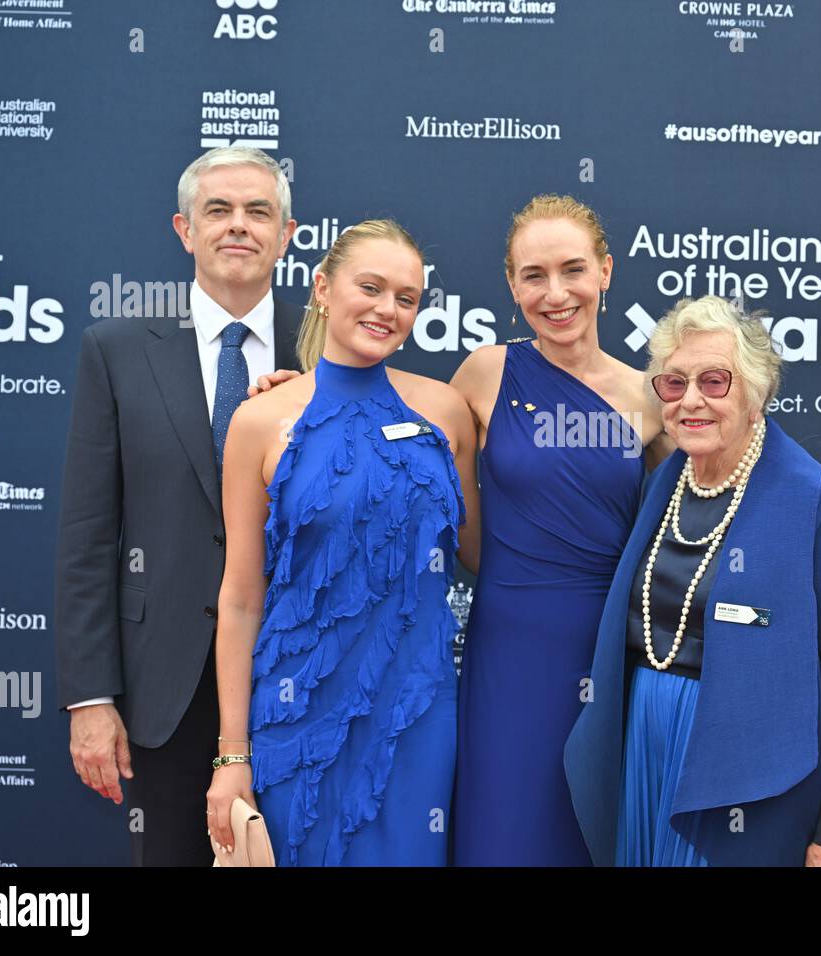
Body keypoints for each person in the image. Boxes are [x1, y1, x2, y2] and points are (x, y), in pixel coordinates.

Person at [564, 296, 821, 866]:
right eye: (674, 382)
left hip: (746, 772)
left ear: (754, 392)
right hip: (645, 741)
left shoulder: (810, 502)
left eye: (714, 381)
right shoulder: (665, 483)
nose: (691, 400)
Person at [205, 219, 480, 865]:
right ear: (324, 289)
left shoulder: (445, 411)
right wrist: (231, 755)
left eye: (406, 298)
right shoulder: (258, 419)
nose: (388, 309)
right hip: (294, 707)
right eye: (372, 287)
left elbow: (482, 551)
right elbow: (242, 598)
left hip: (416, 707)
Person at [55, 147, 300, 866]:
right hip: (165, 686)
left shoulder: (329, 350)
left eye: (259, 212)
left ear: (287, 235)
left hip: (299, 667)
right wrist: (90, 697)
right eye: (217, 210)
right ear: (184, 229)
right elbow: (88, 536)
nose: (238, 226)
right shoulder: (116, 350)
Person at [448, 195, 672, 866]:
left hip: (605, 649)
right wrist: (295, 394)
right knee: (504, 829)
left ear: (605, 271)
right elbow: (399, 453)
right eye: (533, 276)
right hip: (505, 648)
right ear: (511, 285)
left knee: (587, 831)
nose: (555, 293)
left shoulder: (652, 397)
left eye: (572, 270)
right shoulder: (485, 374)